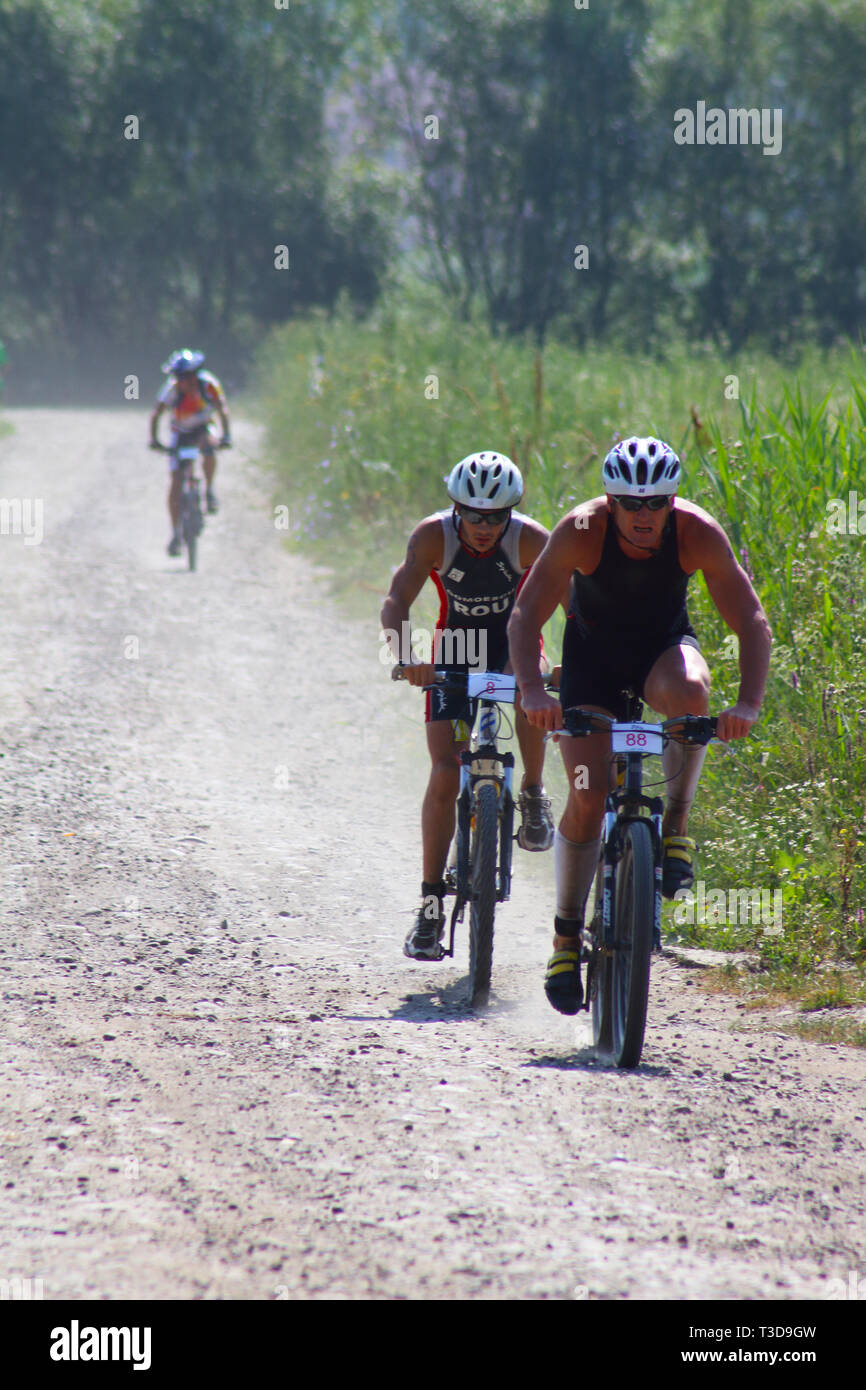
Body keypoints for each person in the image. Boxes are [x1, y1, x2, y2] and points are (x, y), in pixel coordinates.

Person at [507, 435, 772, 1014]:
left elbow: (750, 618)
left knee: (692, 691)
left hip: (660, 654)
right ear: (610, 501)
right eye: (632, 503)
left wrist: (748, 704)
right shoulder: (580, 530)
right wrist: (531, 688)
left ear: (673, 503)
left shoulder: (696, 531)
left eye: (658, 504)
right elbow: (527, 612)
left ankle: (675, 826)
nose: (645, 516)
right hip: (591, 665)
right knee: (587, 794)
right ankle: (566, 937)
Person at [381, 451, 559, 961]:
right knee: (443, 771)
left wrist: (572, 667)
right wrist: (407, 657)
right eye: (473, 515)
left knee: (533, 692)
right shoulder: (432, 536)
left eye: (495, 516)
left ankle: (530, 790)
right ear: (456, 509)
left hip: (514, 645)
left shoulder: (531, 540)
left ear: (511, 514)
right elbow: (396, 600)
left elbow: (575, 604)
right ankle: (431, 904)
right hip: (454, 649)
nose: (484, 527)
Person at [149, 349, 231, 556]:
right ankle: (176, 532)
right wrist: (155, 440)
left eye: (184, 377)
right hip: (181, 432)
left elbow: (222, 409)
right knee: (176, 481)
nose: (180, 381)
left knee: (209, 447)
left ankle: (209, 491)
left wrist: (226, 435)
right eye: (177, 377)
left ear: (195, 375)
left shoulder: (208, 385)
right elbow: (156, 414)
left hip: (203, 427)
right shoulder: (172, 389)